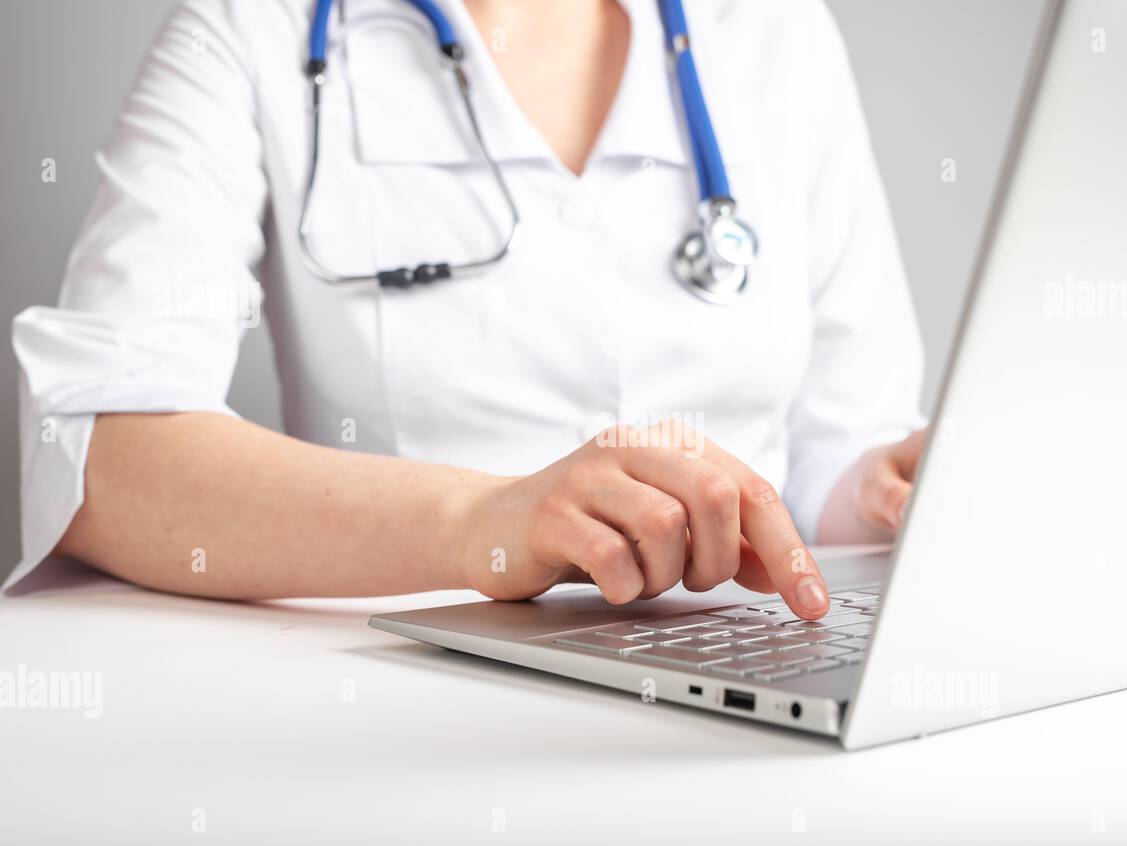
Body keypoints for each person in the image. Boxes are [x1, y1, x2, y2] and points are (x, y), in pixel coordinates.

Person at [7, 0, 928, 620]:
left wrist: (883, 490)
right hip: (397, 694)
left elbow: (834, 456)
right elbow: (97, 457)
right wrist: (483, 522)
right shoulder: (252, 28)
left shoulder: (775, 28)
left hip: (747, 667)